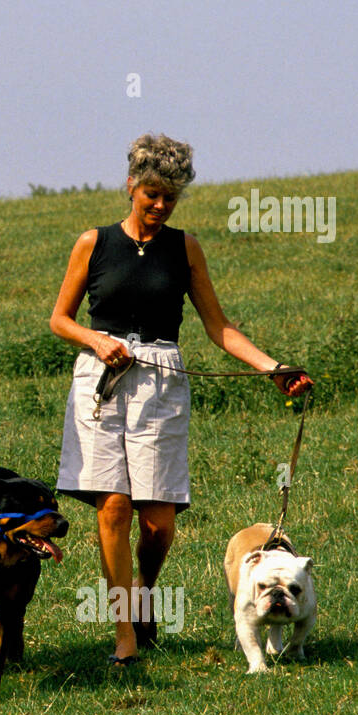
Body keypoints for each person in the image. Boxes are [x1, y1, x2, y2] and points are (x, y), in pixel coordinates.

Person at [49, 133, 312, 665]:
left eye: (170, 196)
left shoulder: (185, 248)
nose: (160, 204)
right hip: (100, 380)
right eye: (152, 193)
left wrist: (273, 368)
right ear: (131, 187)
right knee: (114, 509)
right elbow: (59, 319)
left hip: (162, 382)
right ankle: (125, 635)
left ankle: (145, 588)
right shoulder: (92, 243)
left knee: (158, 521)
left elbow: (219, 327)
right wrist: (97, 340)